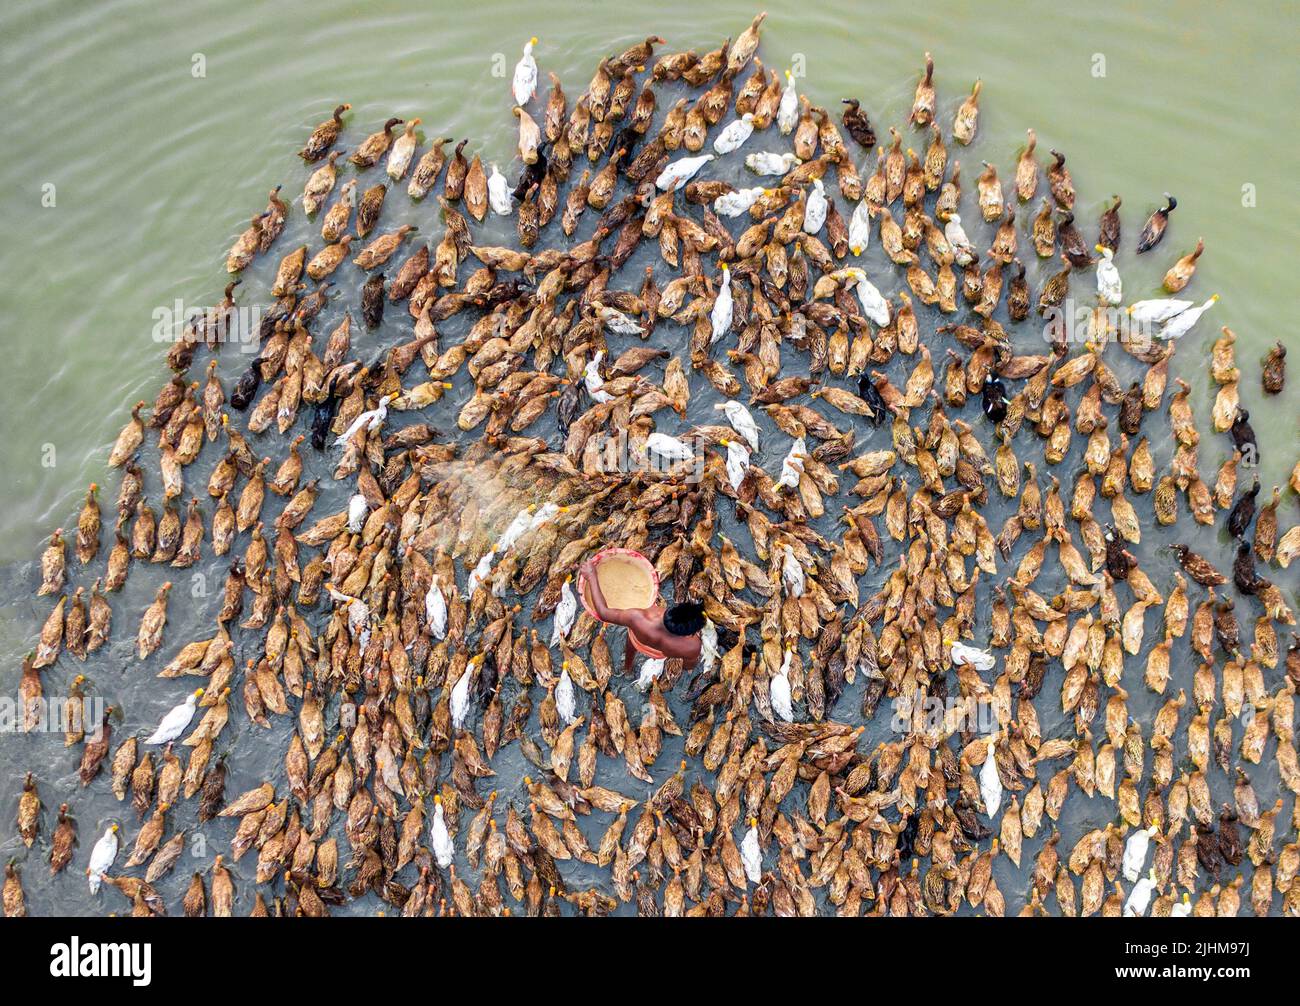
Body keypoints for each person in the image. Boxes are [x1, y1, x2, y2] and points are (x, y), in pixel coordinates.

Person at [577, 558, 703, 673]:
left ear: (672, 610)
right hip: (659, 653)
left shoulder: (638, 618)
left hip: (639, 639)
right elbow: (688, 666)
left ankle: (627, 668)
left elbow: (603, 612)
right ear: (689, 633)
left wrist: (592, 576)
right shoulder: (692, 646)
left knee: (631, 646)